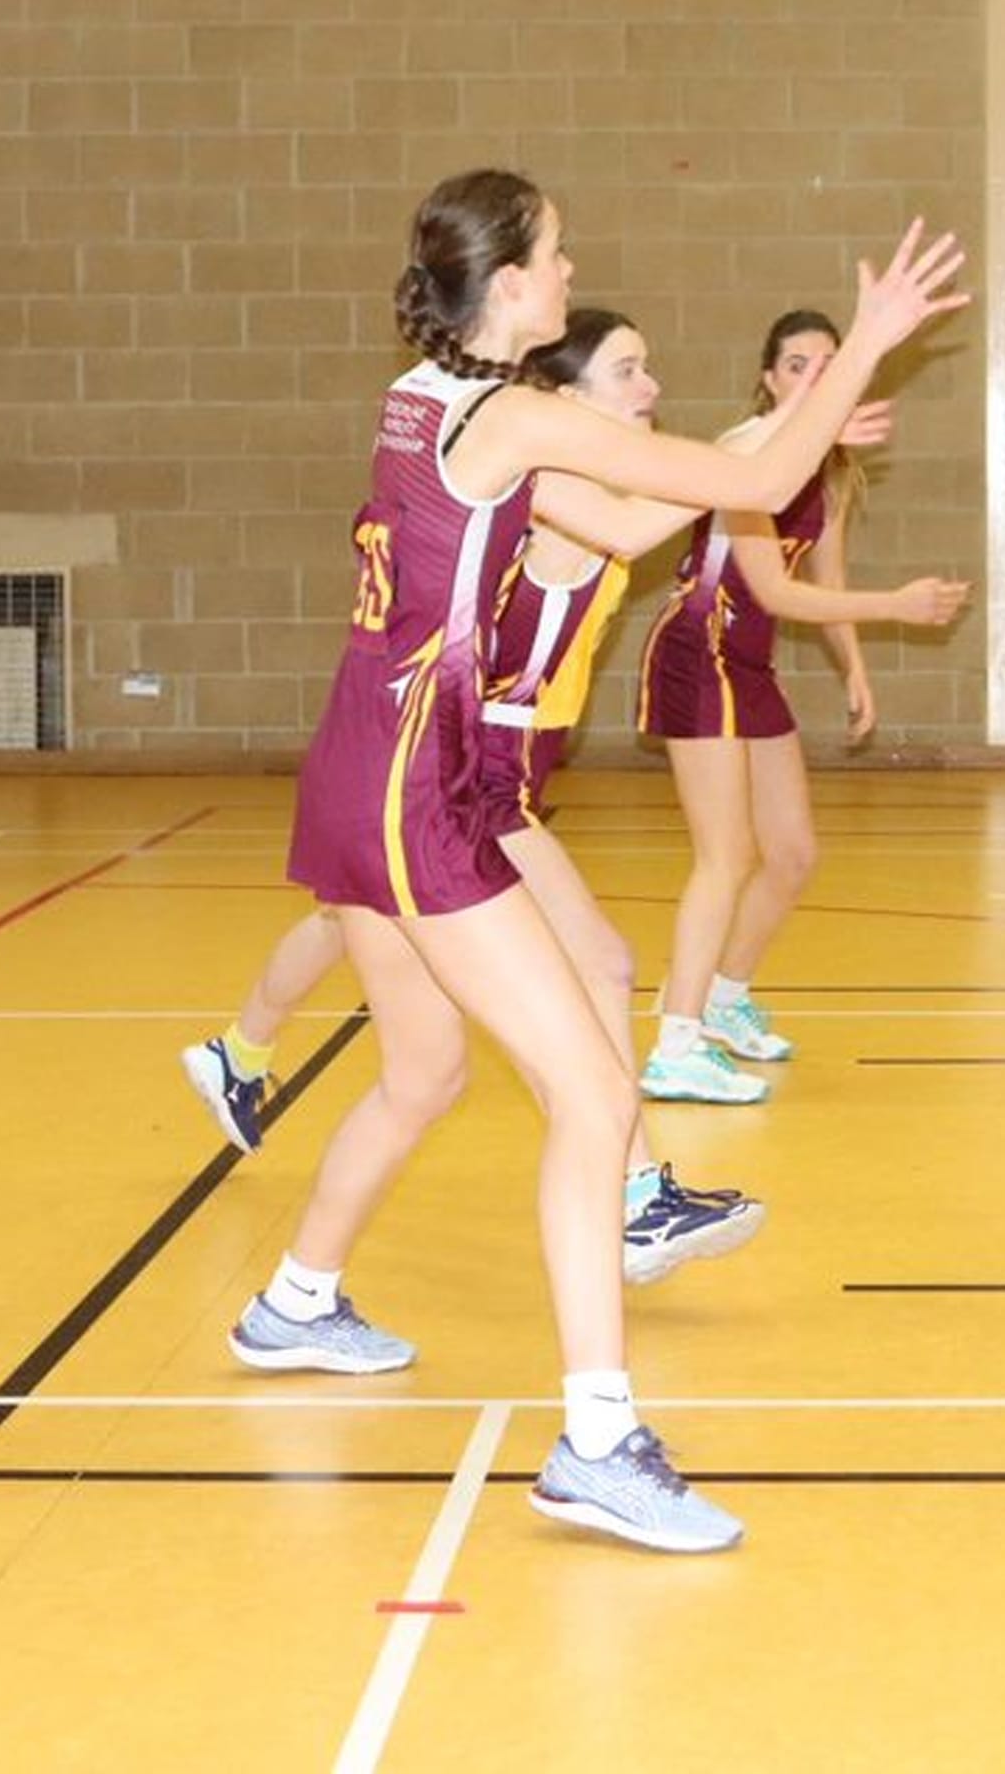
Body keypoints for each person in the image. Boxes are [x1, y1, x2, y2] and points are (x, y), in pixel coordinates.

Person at [234, 171, 961, 1561]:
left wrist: (778, 418)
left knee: (429, 1071)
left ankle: (296, 1302)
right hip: (413, 786)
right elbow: (741, 487)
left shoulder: (432, 396)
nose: (574, 273)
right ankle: (597, 1440)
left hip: (370, 760)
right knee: (591, 1090)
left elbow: (636, 521)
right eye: (560, 256)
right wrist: (864, 342)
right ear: (508, 286)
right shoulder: (514, 416)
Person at [181, 309, 767, 1287]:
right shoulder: (544, 493)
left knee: (349, 929)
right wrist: (760, 439)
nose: (649, 386)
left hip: (477, 766)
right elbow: (653, 504)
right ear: (563, 401)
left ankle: (239, 1053)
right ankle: (630, 1199)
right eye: (627, 370)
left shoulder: (561, 478)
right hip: (469, 766)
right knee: (590, 969)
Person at [636, 310, 972, 1105]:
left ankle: (723, 1001)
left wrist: (855, 664)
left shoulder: (830, 473)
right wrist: (898, 604)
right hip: (697, 651)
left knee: (791, 854)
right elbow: (776, 589)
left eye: (829, 366)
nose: (813, 380)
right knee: (725, 857)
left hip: (748, 662)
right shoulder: (749, 454)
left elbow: (823, 575)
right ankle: (674, 1042)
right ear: (767, 379)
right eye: (797, 366)